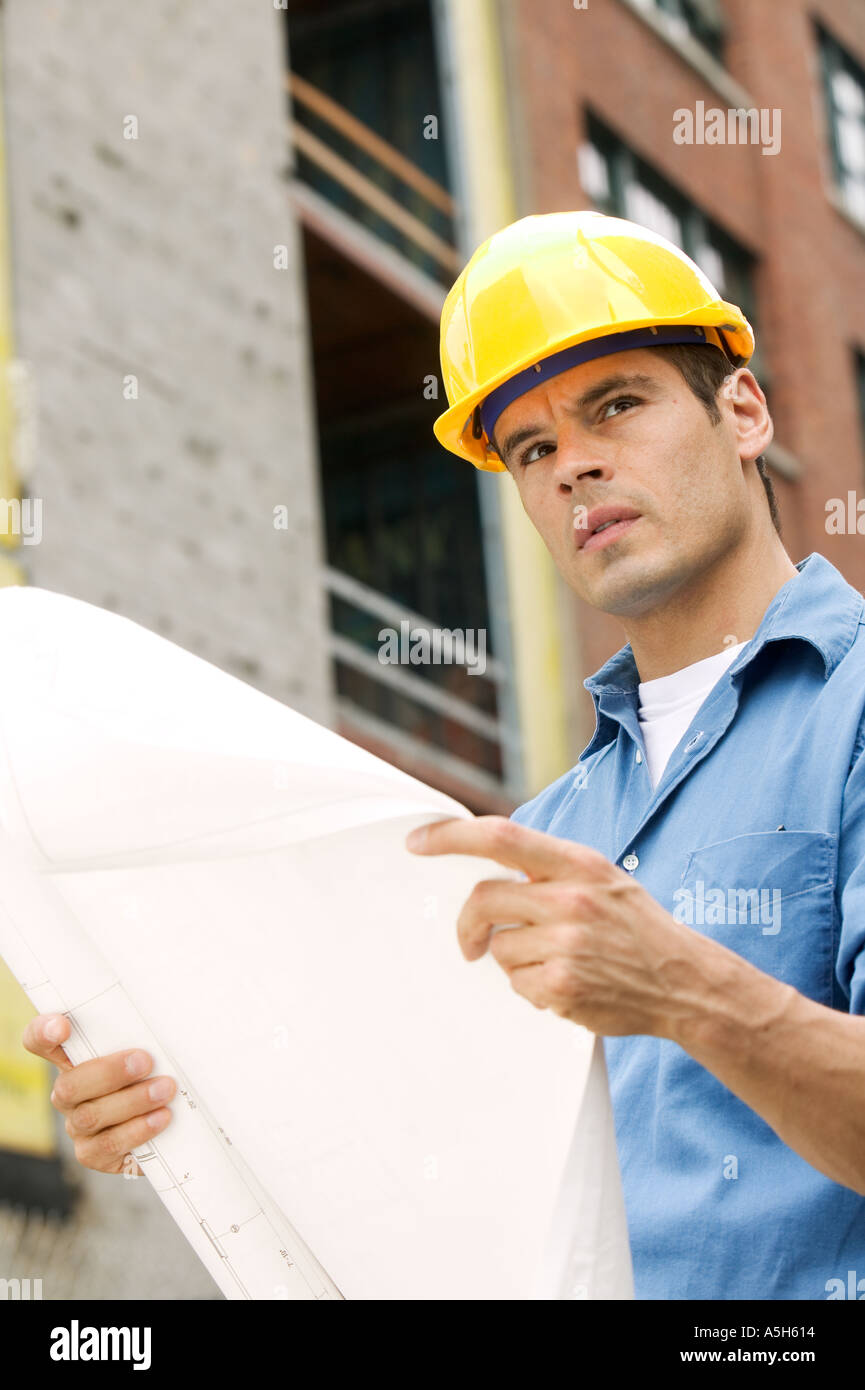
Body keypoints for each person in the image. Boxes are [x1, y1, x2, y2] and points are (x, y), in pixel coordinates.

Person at [23, 211, 865, 1300]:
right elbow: (431, 1190)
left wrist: (682, 990)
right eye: (532, 448)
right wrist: (177, 1117)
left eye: (616, 403)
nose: (574, 466)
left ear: (741, 409)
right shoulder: (538, 840)